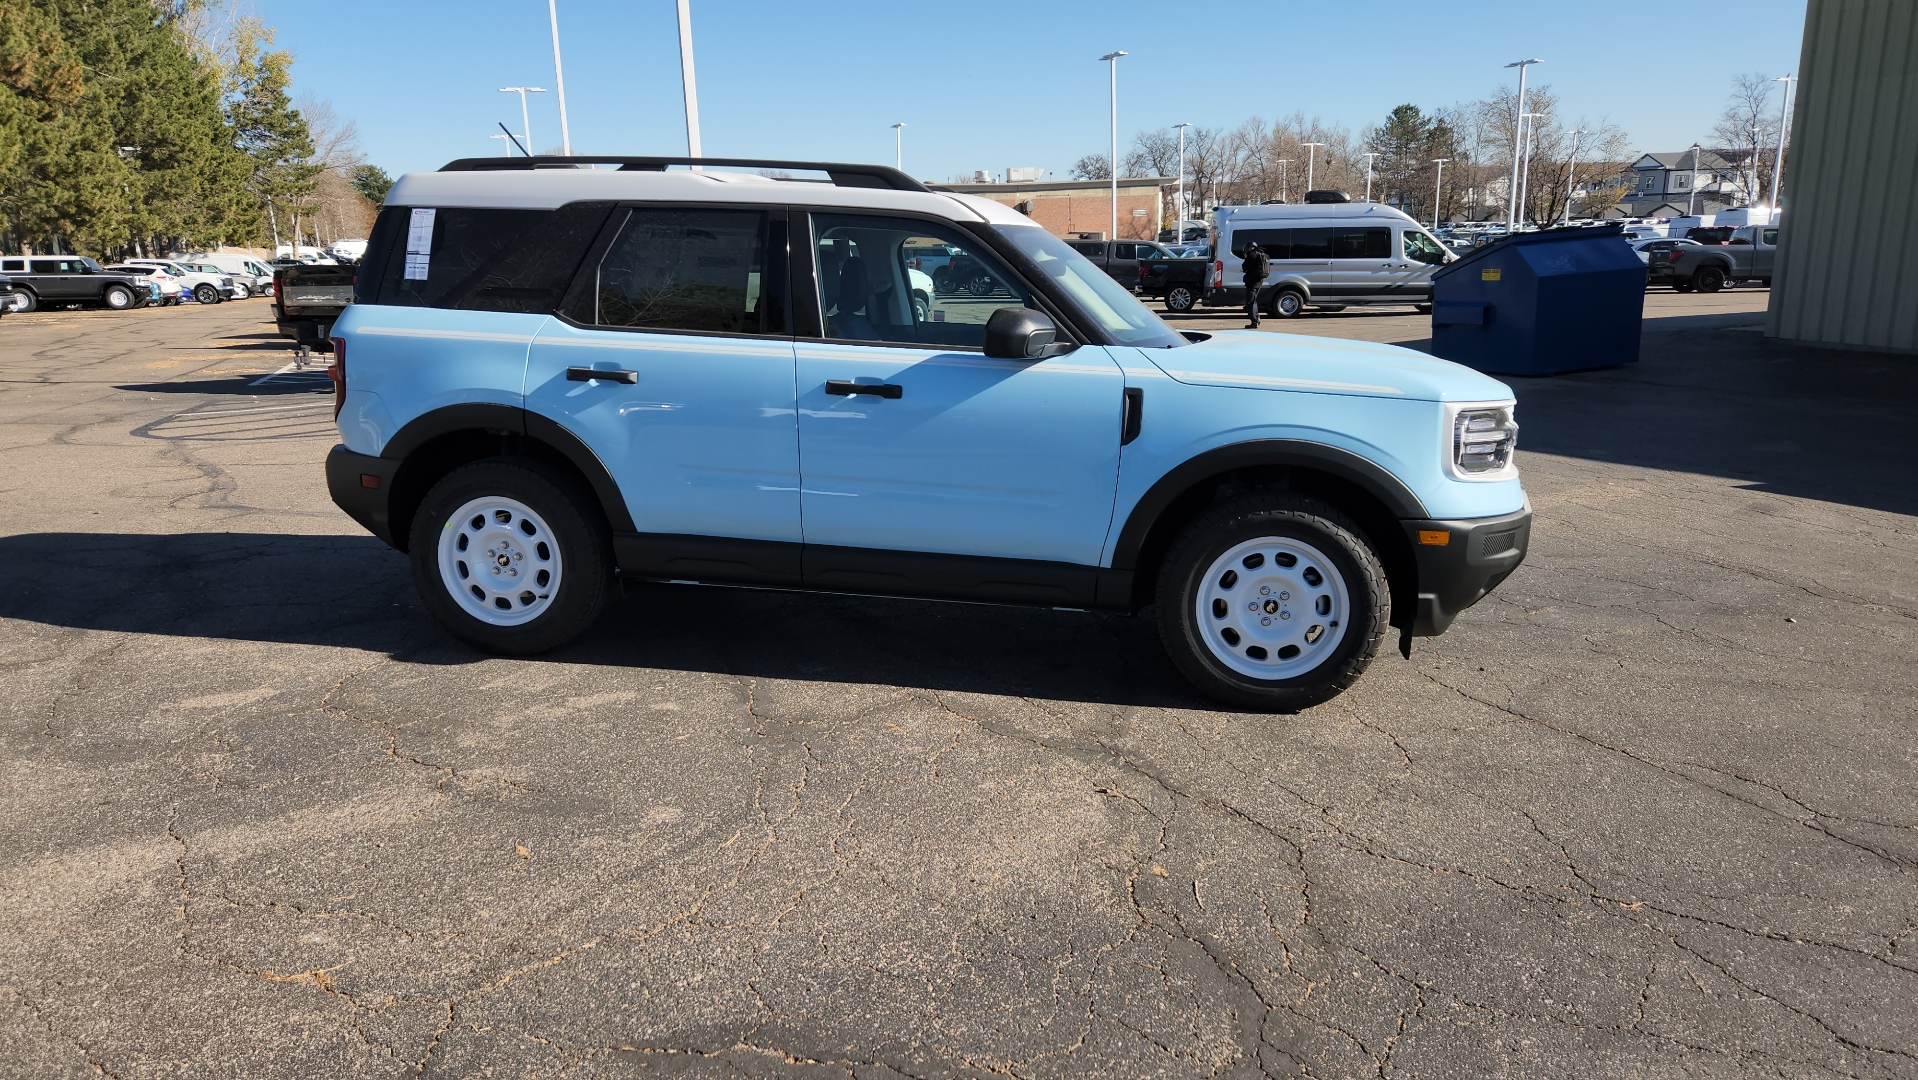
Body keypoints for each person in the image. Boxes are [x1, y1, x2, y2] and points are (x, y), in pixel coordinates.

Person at [1240, 240, 1270, 328]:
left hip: (1252, 281)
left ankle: (1254, 321)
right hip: (1259, 280)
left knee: (1250, 302)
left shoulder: (1251, 255)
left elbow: (1245, 266)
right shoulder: (1262, 254)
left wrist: (1246, 258)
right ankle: (1256, 318)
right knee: (1254, 301)